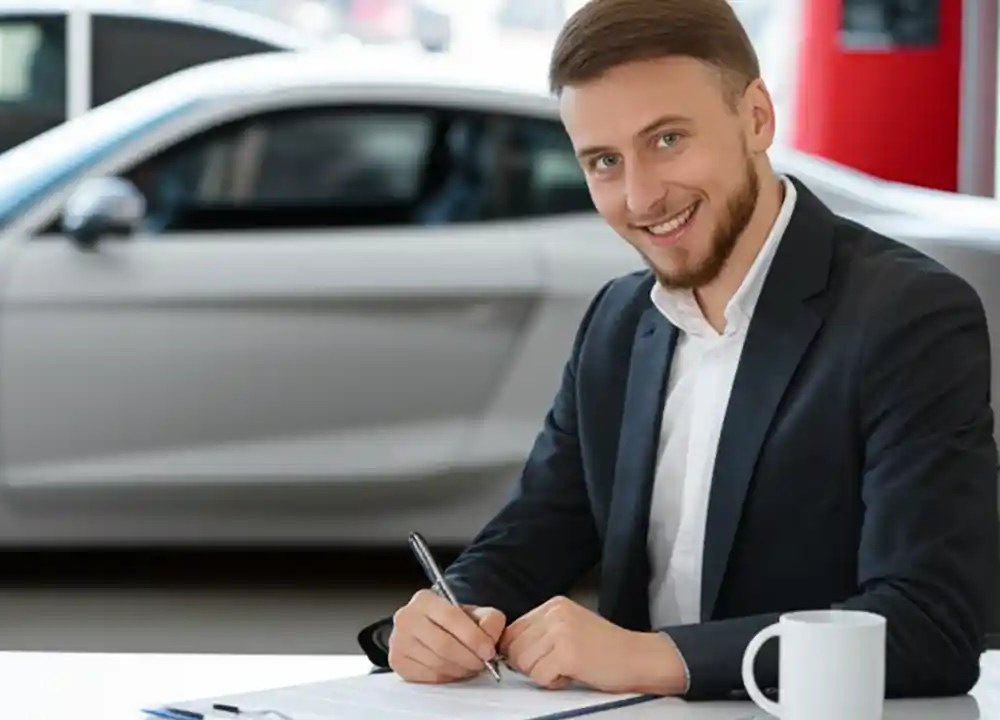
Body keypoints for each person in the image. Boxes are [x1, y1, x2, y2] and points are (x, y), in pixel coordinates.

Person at [357, 0, 999, 701]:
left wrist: (651, 659)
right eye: (604, 161)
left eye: (666, 141)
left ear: (756, 117)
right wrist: (437, 621)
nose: (640, 196)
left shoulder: (907, 315)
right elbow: (527, 545)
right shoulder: (618, 321)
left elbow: (930, 627)